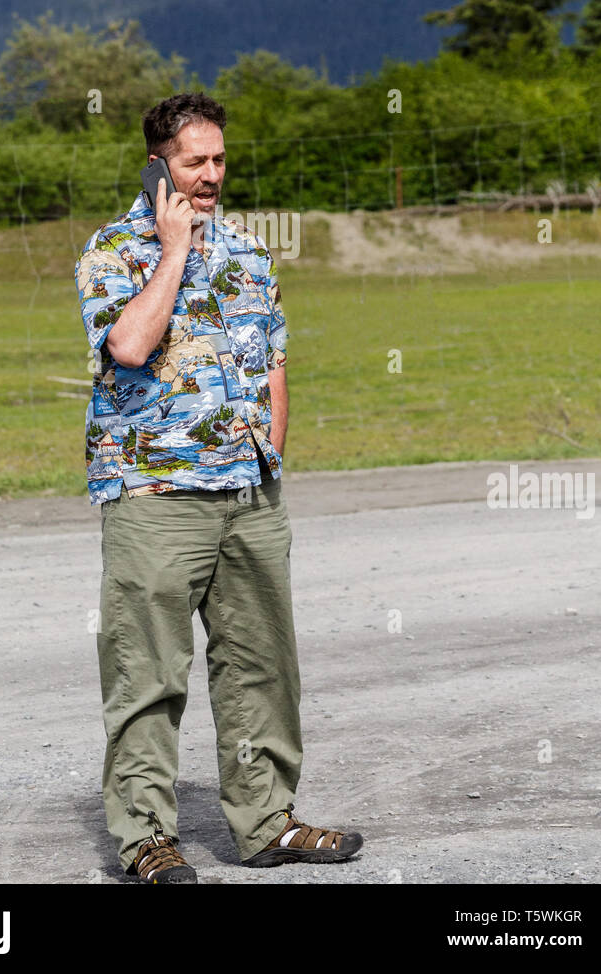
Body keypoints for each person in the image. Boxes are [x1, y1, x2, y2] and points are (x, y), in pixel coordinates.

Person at [74, 92, 363, 883]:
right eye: (193, 162)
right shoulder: (110, 253)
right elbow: (130, 347)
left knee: (262, 664)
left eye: (219, 159)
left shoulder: (249, 252)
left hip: (250, 496)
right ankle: (145, 838)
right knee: (148, 674)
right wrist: (172, 251)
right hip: (155, 497)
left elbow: (273, 360)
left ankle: (267, 820)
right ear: (156, 166)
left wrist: (271, 447)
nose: (210, 175)